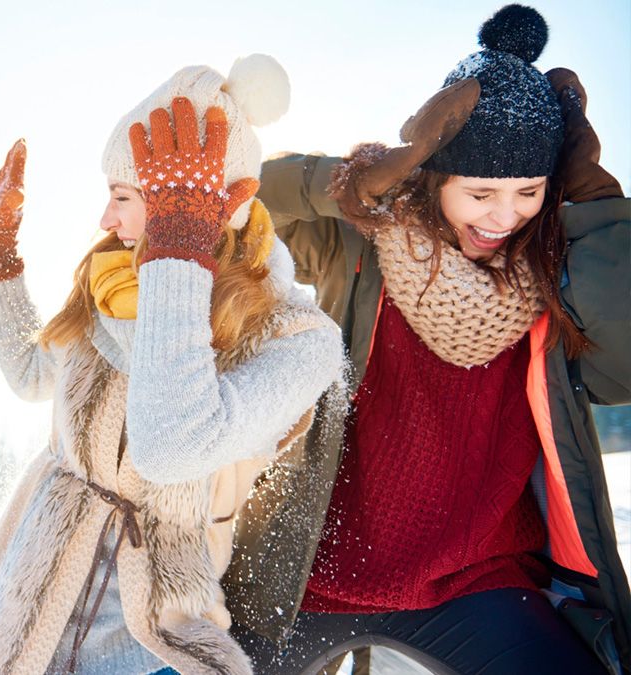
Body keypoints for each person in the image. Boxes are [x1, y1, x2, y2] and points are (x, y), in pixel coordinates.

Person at [235, 5, 630, 674]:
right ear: (436, 176)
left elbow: (621, 365)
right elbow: (249, 199)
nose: (505, 217)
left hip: (477, 578)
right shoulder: (362, 238)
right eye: (480, 193)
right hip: (307, 575)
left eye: (529, 191)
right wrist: (351, 181)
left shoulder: (549, 269)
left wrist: (595, 207)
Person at [0, 55, 345, 675]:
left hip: (153, 629)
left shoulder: (296, 338)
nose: (105, 220)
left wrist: (176, 255)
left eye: (123, 197)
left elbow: (173, 446)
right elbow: (32, 375)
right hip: (35, 592)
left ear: (198, 206)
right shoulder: (110, 281)